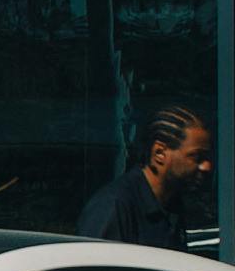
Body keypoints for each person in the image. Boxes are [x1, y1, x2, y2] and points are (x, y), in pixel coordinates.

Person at [75, 105, 213, 251]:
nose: (206, 166)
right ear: (159, 152)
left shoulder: (172, 206)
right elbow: (98, 269)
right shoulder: (114, 206)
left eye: (207, 157)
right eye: (196, 156)